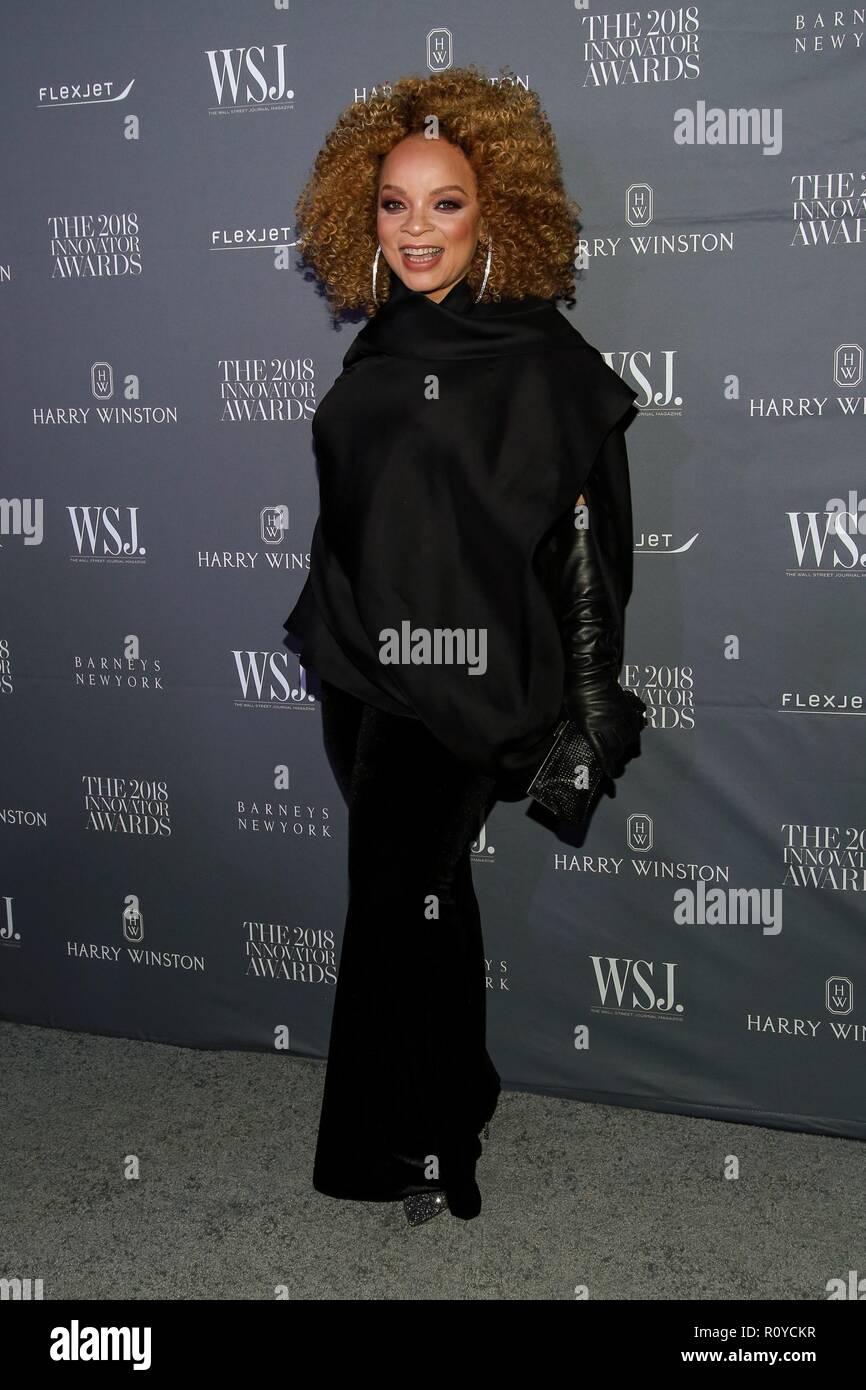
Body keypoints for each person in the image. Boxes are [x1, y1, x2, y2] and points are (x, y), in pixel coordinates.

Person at [283, 66, 646, 1226]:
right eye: (393, 203)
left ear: (496, 211)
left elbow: (585, 554)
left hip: (470, 691)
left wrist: (594, 703)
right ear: (361, 211)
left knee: (393, 903)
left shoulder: (544, 365)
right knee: (429, 904)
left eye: (445, 202)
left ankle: (412, 1148)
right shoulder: (377, 350)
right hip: (360, 681)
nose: (415, 229)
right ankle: (460, 1093)